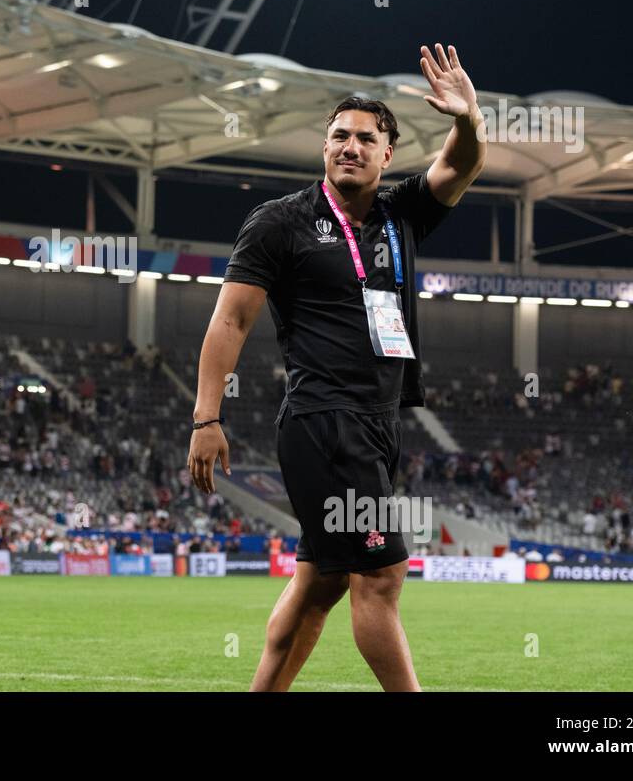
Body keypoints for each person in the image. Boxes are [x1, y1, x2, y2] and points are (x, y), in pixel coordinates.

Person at [187, 44, 486, 692]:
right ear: (324, 148)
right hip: (325, 421)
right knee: (379, 576)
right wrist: (206, 416)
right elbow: (230, 321)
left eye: (365, 138)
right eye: (338, 137)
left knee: (320, 583)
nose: (349, 146)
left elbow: (460, 166)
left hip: (380, 424)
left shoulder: (402, 213)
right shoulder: (280, 223)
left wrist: (467, 119)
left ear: (387, 153)